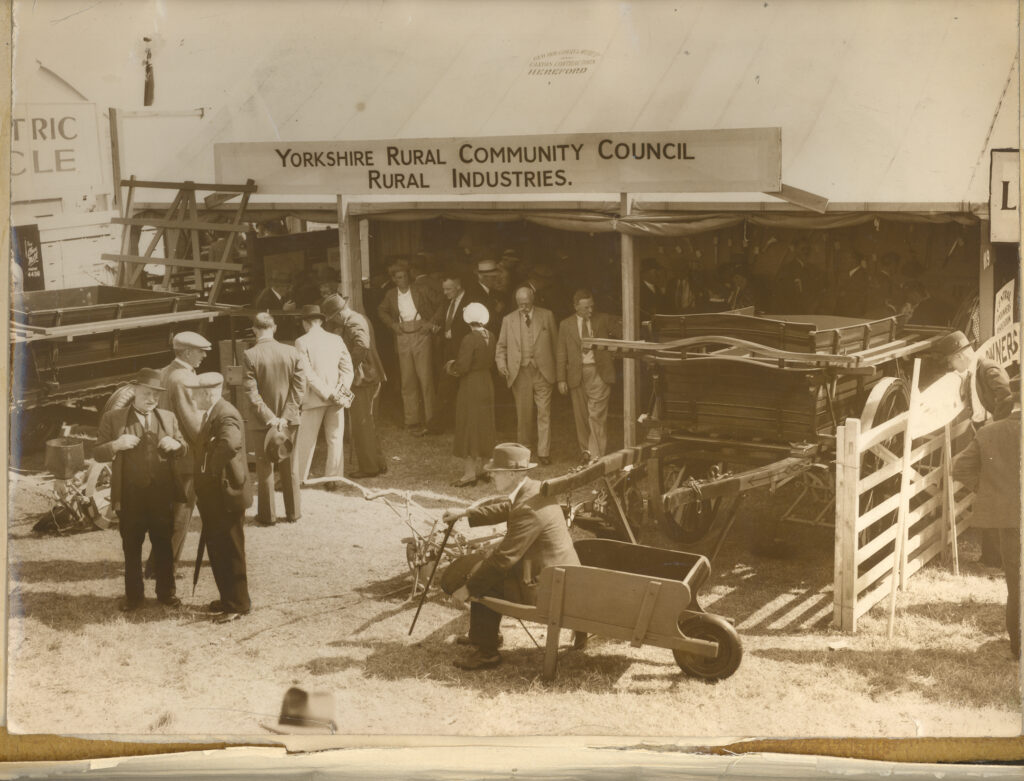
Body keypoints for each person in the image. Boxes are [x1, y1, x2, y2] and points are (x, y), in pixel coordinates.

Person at [439, 442, 581, 670]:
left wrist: (468, 589)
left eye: (496, 472)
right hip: (558, 576)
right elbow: (508, 508)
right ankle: (483, 635)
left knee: (481, 576)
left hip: (545, 588)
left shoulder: (527, 508)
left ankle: (487, 652)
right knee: (481, 570)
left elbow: (503, 559)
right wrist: (466, 513)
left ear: (513, 474)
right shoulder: (535, 490)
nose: (490, 475)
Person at [93, 368, 189, 612]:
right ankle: (134, 597)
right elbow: (97, 452)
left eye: (156, 395)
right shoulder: (114, 418)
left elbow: (184, 447)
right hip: (130, 497)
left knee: (164, 546)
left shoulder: (168, 417)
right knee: (131, 547)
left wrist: (177, 444)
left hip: (161, 497)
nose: (152, 399)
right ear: (134, 391)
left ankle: (166, 594)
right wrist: (116, 444)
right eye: (147, 393)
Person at [952, 393, 1022, 659]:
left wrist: (991, 492)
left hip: (1010, 523)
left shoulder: (988, 432)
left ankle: (1019, 648)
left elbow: (960, 468)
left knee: (1017, 586)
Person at [938, 330, 1015, 567]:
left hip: (994, 438)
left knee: (993, 493)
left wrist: (994, 425)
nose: (952, 367)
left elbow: (1007, 397)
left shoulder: (987, 368)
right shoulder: (974, 372)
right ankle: (992, 557)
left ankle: (997, 558)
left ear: (959, 356)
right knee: (988, 494)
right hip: (985, 434)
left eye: (951, 362)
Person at [186, 372, 252, 623]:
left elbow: (230, 444)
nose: (192, 398)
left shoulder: (225, 414)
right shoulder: (215, 412)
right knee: (218, 548)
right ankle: (228, 599)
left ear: (207, 393)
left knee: (230, 549)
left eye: (195, 394)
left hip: (225, 494)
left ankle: (238, 605)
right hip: (217, 495)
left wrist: (210, 470)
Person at [149, 331, 211, 577]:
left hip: (166, 452)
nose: (204, 356)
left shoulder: (164, 372)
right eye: (200, 351)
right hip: (185, 457)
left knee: (169, 513)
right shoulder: (184, 378)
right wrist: (210, 444)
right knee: (181, 515)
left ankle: (155, 567)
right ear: (186, 352)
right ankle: (165, 569)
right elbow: (193, 423)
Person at [243, 313, 307, 526]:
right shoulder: (292, 352)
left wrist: (270, 418)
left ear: (254, 330)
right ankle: (293, 512)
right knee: (290, 466)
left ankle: (267, 515)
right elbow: (299, 388)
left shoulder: (250, 355)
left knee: (264, 468)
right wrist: (286, 416)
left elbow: (251, 392)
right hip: (290, 420)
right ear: (275, 328)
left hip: (262, 421)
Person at [323, 294, 388, 478]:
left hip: (363, 379)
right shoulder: (359, 318)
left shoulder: (353, 322)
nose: (334, 322)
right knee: (369, 423)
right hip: (369, 377)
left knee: (361, 424)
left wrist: (347, 369)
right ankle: (378, 463)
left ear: (339, 314)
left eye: (333, 318)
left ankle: (369, 468)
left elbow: (362, 346)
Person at [376, 261, 442, 435]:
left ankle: (431, 419)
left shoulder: (421, 289)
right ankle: (412, 420)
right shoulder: (391, 294)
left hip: (421, 333)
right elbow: (381, 310)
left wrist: (431, 322)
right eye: (399, 277)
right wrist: (392, 325)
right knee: (407, 380)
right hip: (402, 334)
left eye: (405, 276)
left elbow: (443, 303)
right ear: (393, 279)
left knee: (426, 378)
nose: (403, 280)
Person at [495, 286, 557, 466]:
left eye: (527, 304)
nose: (524, 307)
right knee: (523, 414)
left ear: (533, 300)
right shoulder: (508, 320)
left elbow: (555, 344)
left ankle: (544, 452)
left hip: (543, 371)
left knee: (544, 412)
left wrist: (559, 371)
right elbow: (501, 346)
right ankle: (525, 450)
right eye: (520, 304)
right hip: (520, 372)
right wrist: (502, 364)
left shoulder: (547, 316)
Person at [557, 290, 620, 463]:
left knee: (596, 415)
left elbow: (624, 331)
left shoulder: (603, 319)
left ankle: (596, 456)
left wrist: (614, 350)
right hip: (577, 374)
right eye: (586, 308)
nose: (590, 311)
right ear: (576, 307)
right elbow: (561, 352)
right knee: (582, 417)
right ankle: (586, 452)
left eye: (592, 306)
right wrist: (561, 379)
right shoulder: (565, 325)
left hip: (599, 372)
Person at [293, 304, 354, 483]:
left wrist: (328, 393)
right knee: (335, 439)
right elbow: (348, 368)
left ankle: (298, 479)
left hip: (315, 398)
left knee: (306, 441)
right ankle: (333, 479)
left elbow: (308, 374)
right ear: (320, 321)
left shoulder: (301, 341)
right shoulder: (336, 339)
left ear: (305, 322)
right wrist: (340, 392)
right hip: (336, 398)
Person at [446, 302, 496, 486]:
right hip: (486, 382)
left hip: (471, 384)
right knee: (485, 424)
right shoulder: (491, 335)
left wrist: (451, 366)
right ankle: (486, 469)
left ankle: (469, 474)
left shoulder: (469, 339)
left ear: (468, 320)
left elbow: (463, 366)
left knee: (468, 424)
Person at [427, 271, 475, 435]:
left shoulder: (470, 302)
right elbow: (448, 324)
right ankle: (437, 426)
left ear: (458, 286)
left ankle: (461, 426)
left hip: (463, 351)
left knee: (462, 388)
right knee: (445, 387)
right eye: (444, 289)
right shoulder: (449, 301)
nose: (445, 292)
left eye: (448, 289)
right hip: (448, 350)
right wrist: (439, 330)